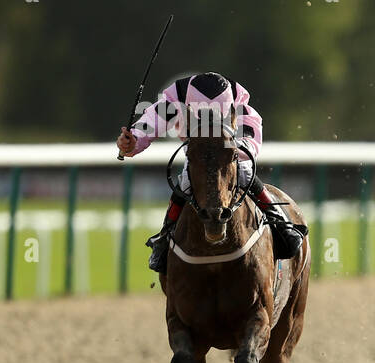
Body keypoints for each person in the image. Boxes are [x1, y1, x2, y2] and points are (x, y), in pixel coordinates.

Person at [116, 72, 307, 273]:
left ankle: (280, 222)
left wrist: (234, 147)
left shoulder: (234, 94)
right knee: (186, 181)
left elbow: (251, 129)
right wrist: (132, 141)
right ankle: (165, 237)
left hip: (228, 154)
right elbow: (152, 121)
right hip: (198, 155)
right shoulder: (179, 94)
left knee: (244, 172)